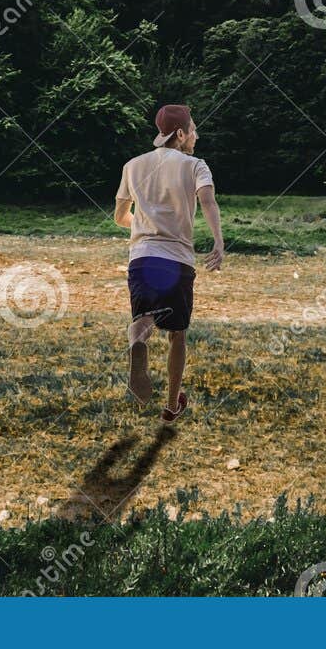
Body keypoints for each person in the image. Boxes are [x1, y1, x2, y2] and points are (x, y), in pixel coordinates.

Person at [113, 104, 224, 422]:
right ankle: (172, 403)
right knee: (177, 333)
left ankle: (137, 342)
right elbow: (207, 200)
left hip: (142, 258)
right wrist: (218, 241)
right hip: (176, 262)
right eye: (193, 129)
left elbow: (120, 216)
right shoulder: (195, 165)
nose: (197, 135)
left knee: (144, 318)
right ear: (180, 134)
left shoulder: (132, 166)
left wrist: (141, 223)